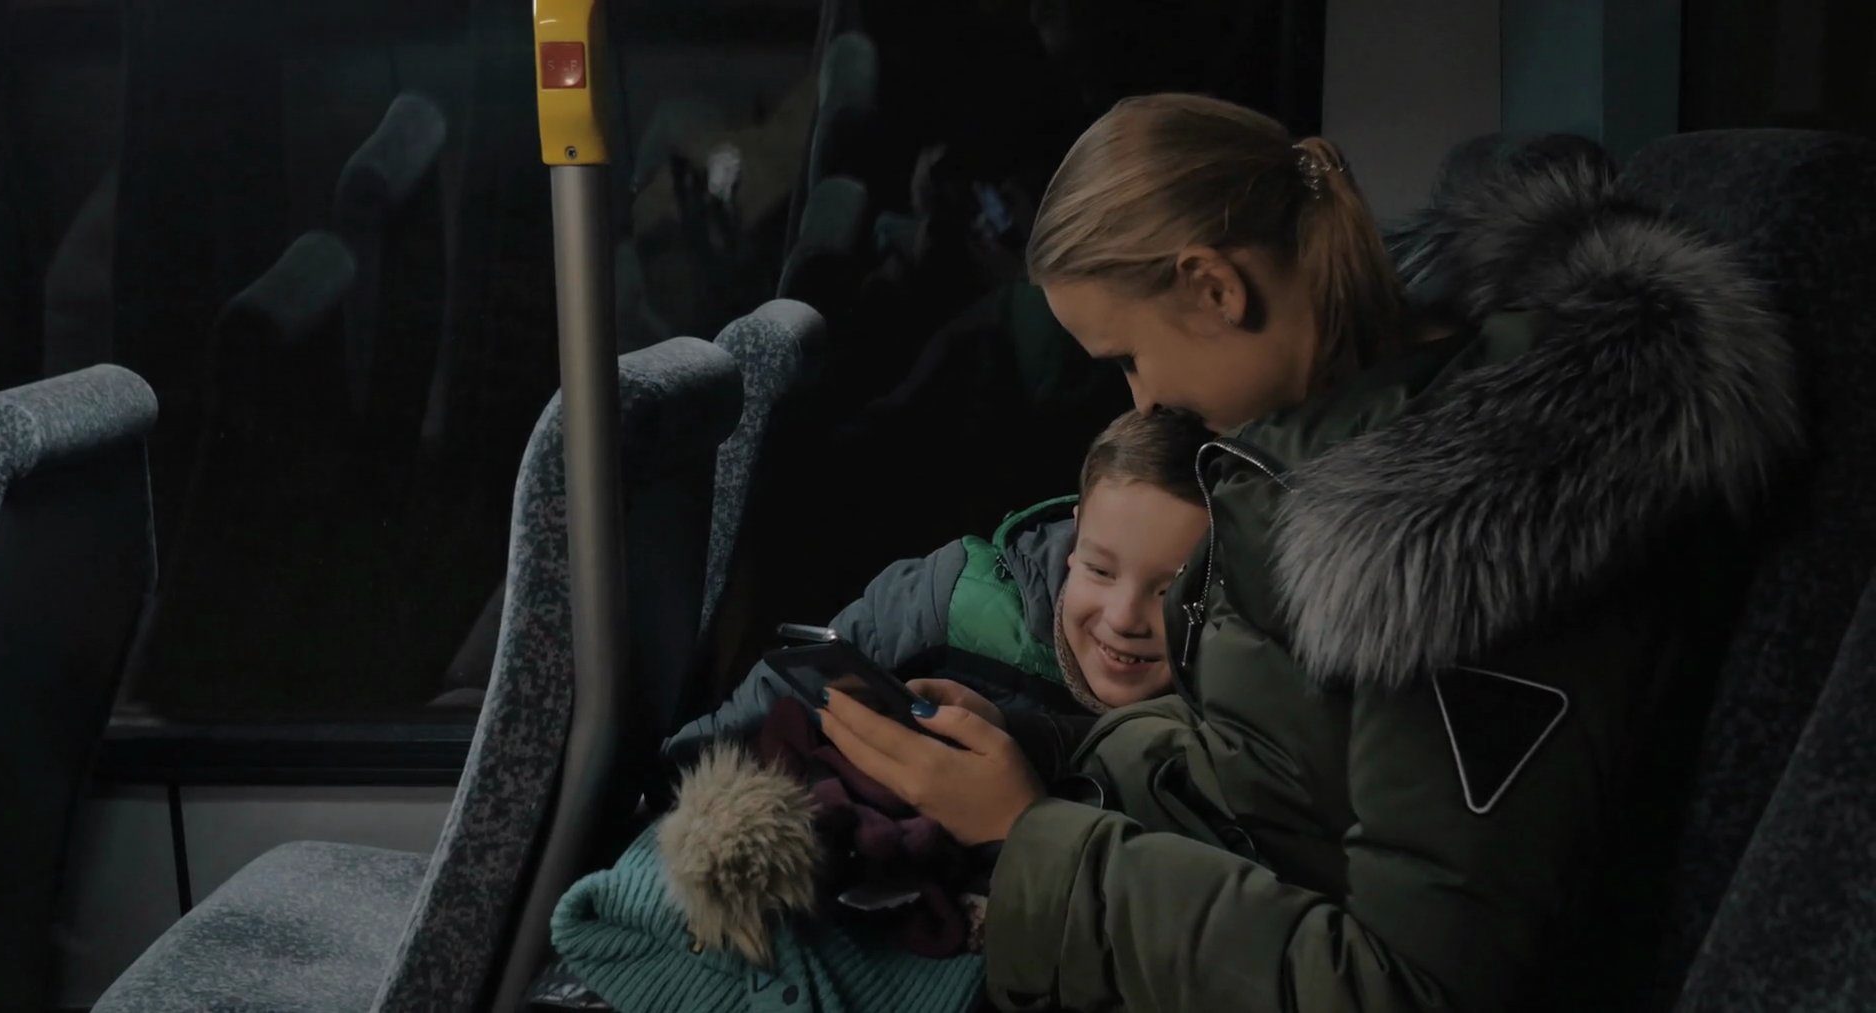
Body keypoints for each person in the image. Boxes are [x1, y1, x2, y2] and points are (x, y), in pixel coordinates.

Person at [810, 94, 1804, 1012]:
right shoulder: (1307, 449)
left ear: (1213, 286)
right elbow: (1270, 767)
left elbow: (1403, 986)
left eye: (1129, 358)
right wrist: (1038, 749)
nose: (1140, 404)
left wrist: (1033, 840)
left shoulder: (1441, 541)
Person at [663, 406, 1214, 767]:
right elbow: (779, 694)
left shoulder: (1231, 689)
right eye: (1099, 570)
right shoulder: (948, 600)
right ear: (1075, 536)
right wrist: (677, 768)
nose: (1123, 617)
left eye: (1169, 591)